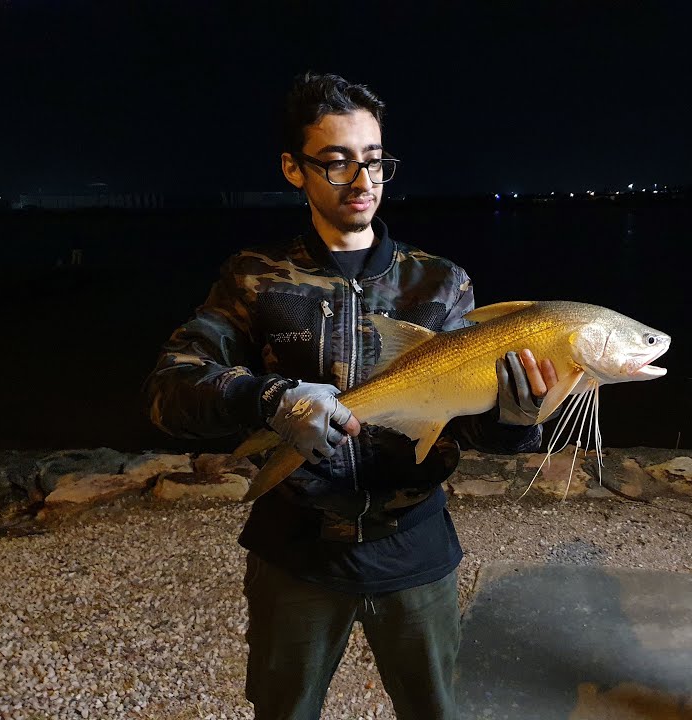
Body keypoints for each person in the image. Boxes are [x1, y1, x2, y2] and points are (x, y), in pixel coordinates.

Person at [144, 71, 560, 720]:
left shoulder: (440, 285)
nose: (362, 182)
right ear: (294, 168)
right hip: (296, 554)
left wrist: (518, 416)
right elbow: (170, 390)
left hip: (416, 550)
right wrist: (268, 397)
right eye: (336, 163)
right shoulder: (255, 278)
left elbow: (472, 431)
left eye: (374, 161)